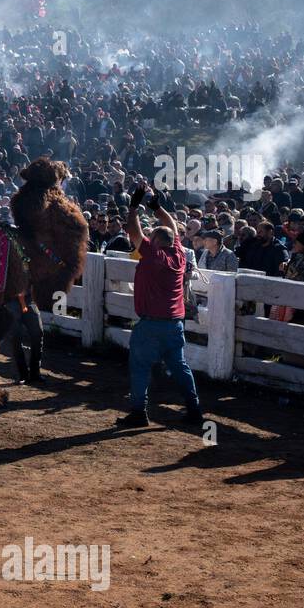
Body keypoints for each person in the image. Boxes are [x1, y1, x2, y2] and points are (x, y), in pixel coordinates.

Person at [117, 183, 202, 428]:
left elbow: (134, 232)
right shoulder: (178, 253)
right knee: (180, 367)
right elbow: (173, 228)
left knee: (140, 367)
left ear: (154, 240)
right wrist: (156, 208)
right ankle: (194, 409)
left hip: (151, 324)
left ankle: (138, 412)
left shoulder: (154, 255)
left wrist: (133, 207)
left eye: (151, 234)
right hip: (174, 323)